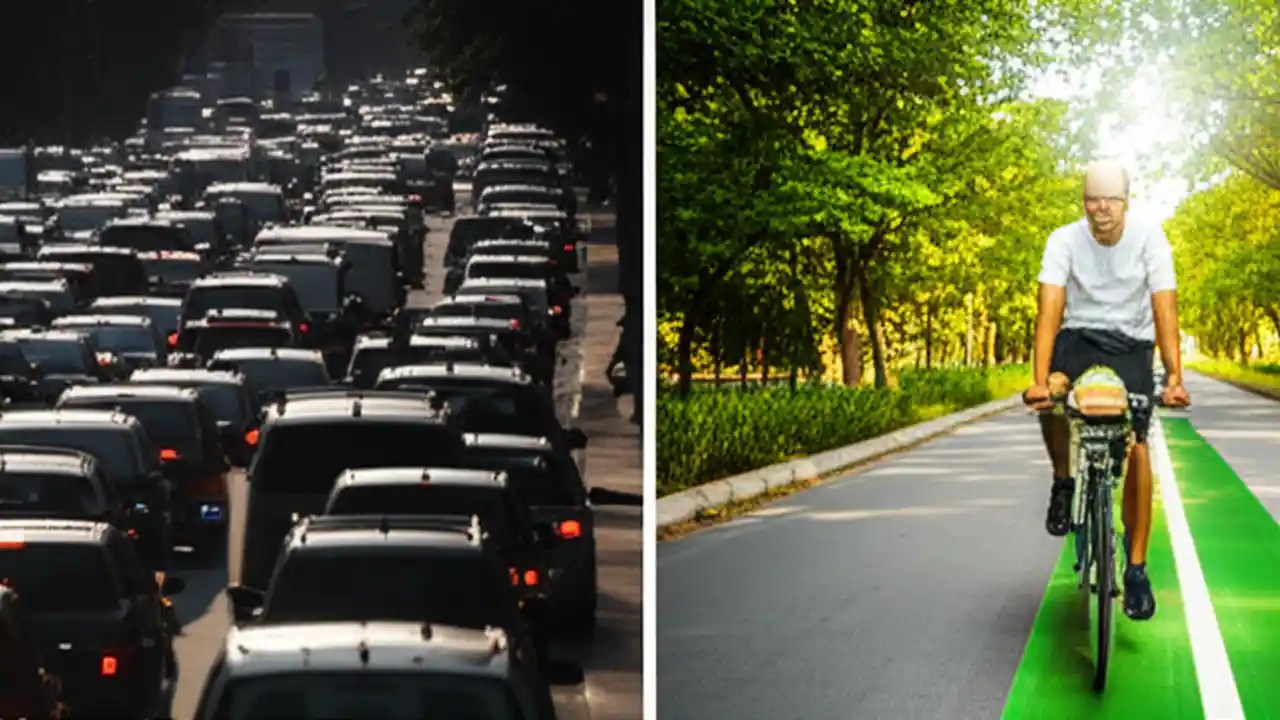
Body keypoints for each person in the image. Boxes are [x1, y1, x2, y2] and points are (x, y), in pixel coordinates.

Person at [1022, 160, 1190, 621]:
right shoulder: (1063, 239)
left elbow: (1165, 310)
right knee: (1052, 399)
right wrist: (1040, 380)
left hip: (1132, 345)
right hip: (1077, 337)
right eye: (1092, 199)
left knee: (1137, 443)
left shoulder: (1150, 239)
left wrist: (1174, 377)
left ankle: (1136, 568)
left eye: (1110, 200)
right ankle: (1063, 480)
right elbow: (1049, 313)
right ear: (1084, 202)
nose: (1101, 209)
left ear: (1125, 202)